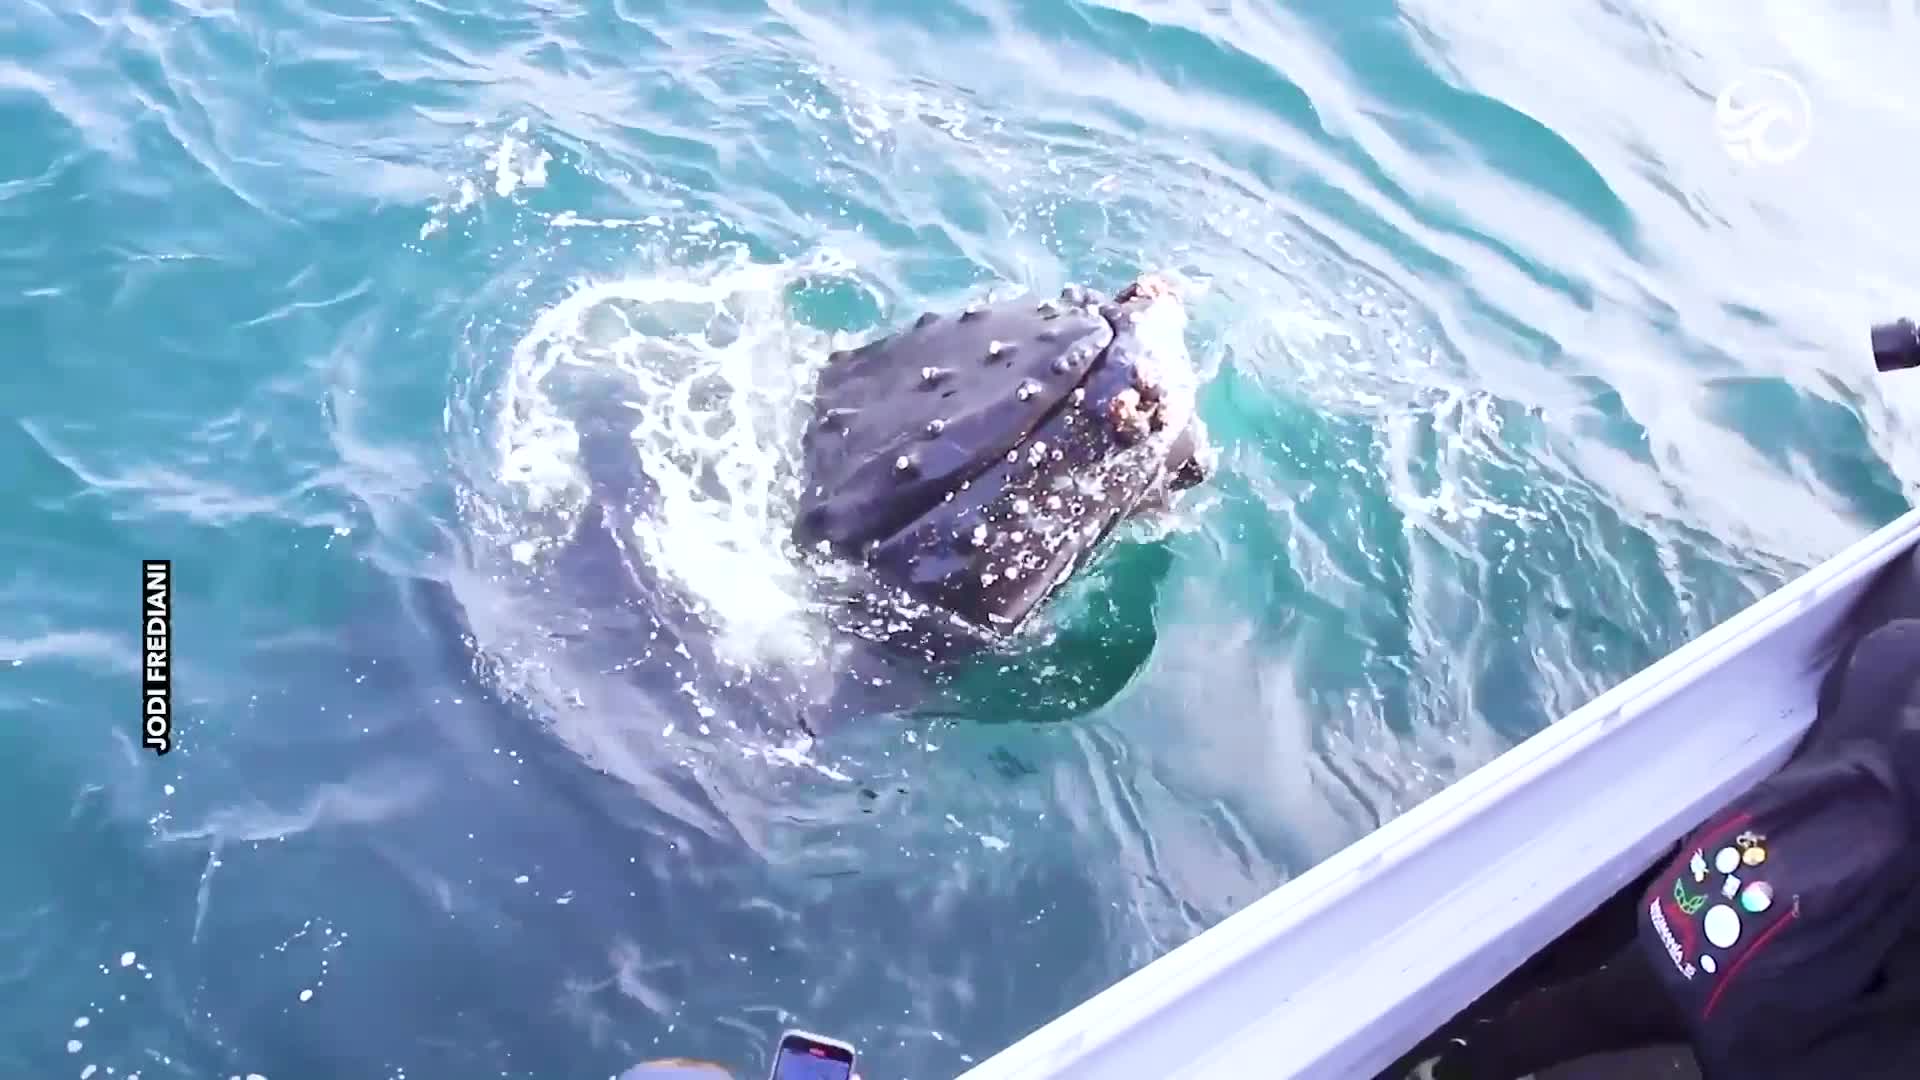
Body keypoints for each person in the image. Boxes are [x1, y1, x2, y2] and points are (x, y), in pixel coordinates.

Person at [1405, 543, 1920, 1080]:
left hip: (1724, 886)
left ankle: (1454, 1069)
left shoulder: (1896, 649)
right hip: (1800, 994)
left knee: (1592, 1008)